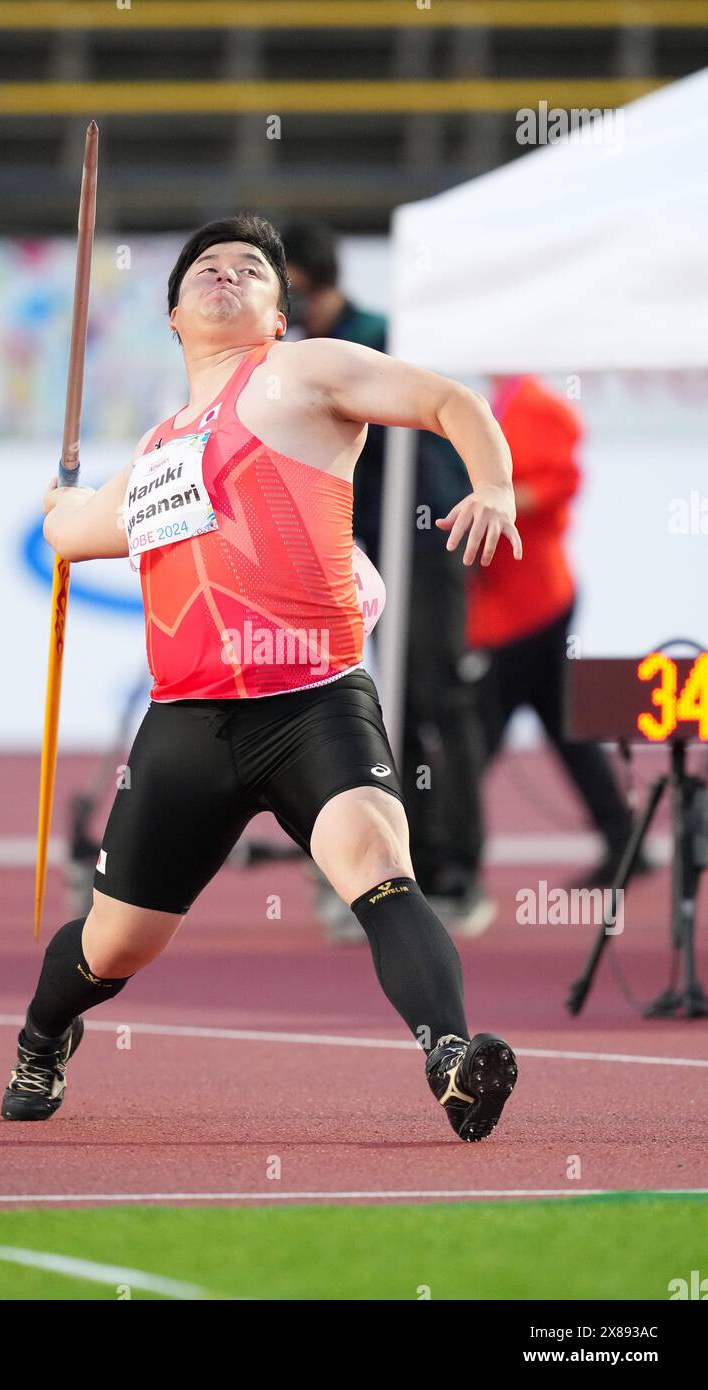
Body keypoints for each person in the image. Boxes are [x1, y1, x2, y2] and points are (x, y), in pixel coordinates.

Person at [0, 215, 521, 1143]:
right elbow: (78, 535)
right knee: (117, 944)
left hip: (314, 703)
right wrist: (59, 507)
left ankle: (450, 1058)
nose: (228, 274)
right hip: (190, 728)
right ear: (172, 317)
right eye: (207, 266)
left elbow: (450, 402)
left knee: (378, 861)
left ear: (281, 316)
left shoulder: (306, 373)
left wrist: (493, 486)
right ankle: (44, 1034)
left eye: (252, 269)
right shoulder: (158, 454)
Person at [282, 221, 492, 936]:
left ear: (318, 282)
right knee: (391, 706)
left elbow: (433, 416)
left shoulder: (374, 339)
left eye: (295, 293)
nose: (289, 310)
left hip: (425, 543)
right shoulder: (304, 354)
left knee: (440, 702)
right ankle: (407, 868)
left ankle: (457, 870)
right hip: (373, 553)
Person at [469, 374, 647, 887]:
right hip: (512, 599)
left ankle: (434, 846)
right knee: (561, 725)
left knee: (481, 731)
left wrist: (497, 500)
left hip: (532, 600)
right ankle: (622, 836)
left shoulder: (536, 407)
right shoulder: (496, 404)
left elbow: (560, 482)